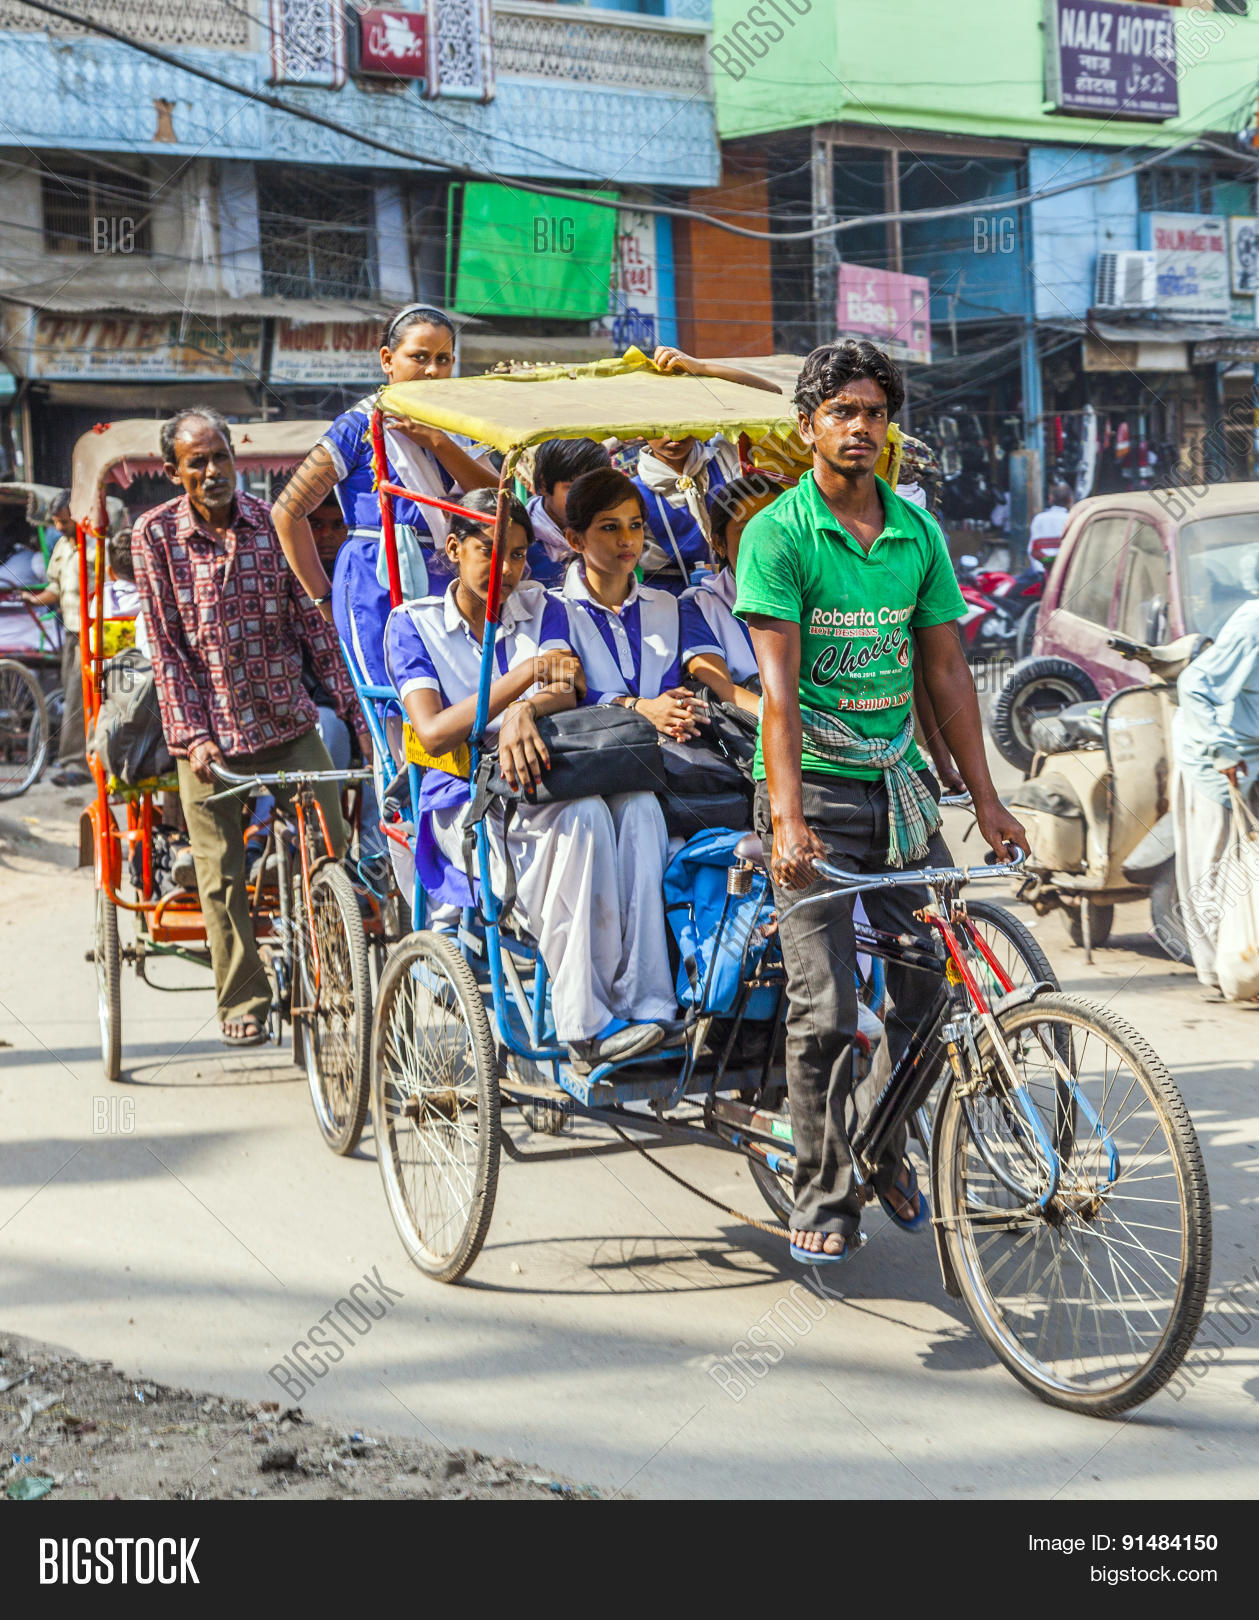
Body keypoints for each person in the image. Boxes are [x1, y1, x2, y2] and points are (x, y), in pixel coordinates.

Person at [735, 340, 1026, 1265]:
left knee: (925, 991)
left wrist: (987, 803)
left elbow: (945, 671)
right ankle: (822, 1194)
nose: (860, 429)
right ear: (807, 427)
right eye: (841, 413)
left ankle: (882, 1140)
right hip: (811, 790)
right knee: (823, 1008)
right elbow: (777, 694)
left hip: (898, 790)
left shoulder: (917, 533)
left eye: (873, 413)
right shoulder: (777, 535)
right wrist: (785, 821)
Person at [385, 488, 677, 1073]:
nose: (508, 569)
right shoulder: (412, 625)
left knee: (642, 805)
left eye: (518, 555)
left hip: (545, 776)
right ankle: (584, 1025)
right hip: (468, 802)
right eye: (490, 552)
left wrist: (526, 710)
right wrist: (520, 681)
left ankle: (650, 1005)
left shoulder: (541, 604)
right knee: (585, 820)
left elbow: (564, 684)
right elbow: (435, 729)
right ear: (454, 549)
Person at [132, 407, 365, 1048]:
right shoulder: (154, 537)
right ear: (174, 471)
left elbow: (313, 628)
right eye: (196, 462)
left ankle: (340, 971)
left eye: (219, 456)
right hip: (206, 738)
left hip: (286, 721)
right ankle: (244, 997)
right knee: (221, 873)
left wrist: (353, 709)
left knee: (331, 849)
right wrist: (195, 736)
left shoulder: (270, 523)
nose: (212, 471)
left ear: (235, 455)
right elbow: (167, 650)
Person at [271, 304, 496, 687]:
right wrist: (323, 599)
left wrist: (437, 442)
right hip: (375, 585)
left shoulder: (459, 430)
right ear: (387, 360)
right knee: (395, 705)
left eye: (444, 359)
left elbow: (495, 499)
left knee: (457, 703)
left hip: (450, 580)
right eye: (420, 357)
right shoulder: (358, 426)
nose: (432, 371)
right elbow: (286, 512)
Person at [559, 468, 712, 740]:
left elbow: (673, 686)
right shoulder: (555, 609)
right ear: (575, 539)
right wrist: (640, 708)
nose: (627, 539)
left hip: (671, 755)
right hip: (591, 758)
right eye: (609, 527)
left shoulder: (666, 604)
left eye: (635, 525)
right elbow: (564, 695)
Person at [1172, 579, 1259, 995]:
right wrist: (1220, 748)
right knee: (1216, 867)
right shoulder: (1253, 624)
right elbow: (1193, 685)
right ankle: (1220, 972)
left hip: (1253, 749)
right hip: (1214, 751)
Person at [683, 473, 781, 715]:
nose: (765, 539)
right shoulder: (698, 605)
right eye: (747, 529)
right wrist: (789, 725)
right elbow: (721, 688)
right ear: (719, 544)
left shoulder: (820, 592)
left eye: (777, 525)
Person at [19, 489, 92, 786]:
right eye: (56, 522)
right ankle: (76, 759)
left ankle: (78, 764)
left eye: (64, 521)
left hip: (94, 632)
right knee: (72, 695)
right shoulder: (62, 547)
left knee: (79, 695)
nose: (60, 527)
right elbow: (56, 588)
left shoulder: (96, 545)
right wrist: (33, 599)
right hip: (71, 632)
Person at [524, 437, 611, 586]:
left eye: (597, 489)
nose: (587, 499)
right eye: (573, 489)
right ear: (544, 485)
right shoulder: (521, 540)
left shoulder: (611, 529)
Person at [1028, 482, 1073, 561]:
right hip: (1065, 569)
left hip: (1041, 569)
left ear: (1050, 498)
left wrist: (1047, 564)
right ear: (1070, 500)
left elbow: (1031, 550)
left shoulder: (1039, 518)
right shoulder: (1072, 519)